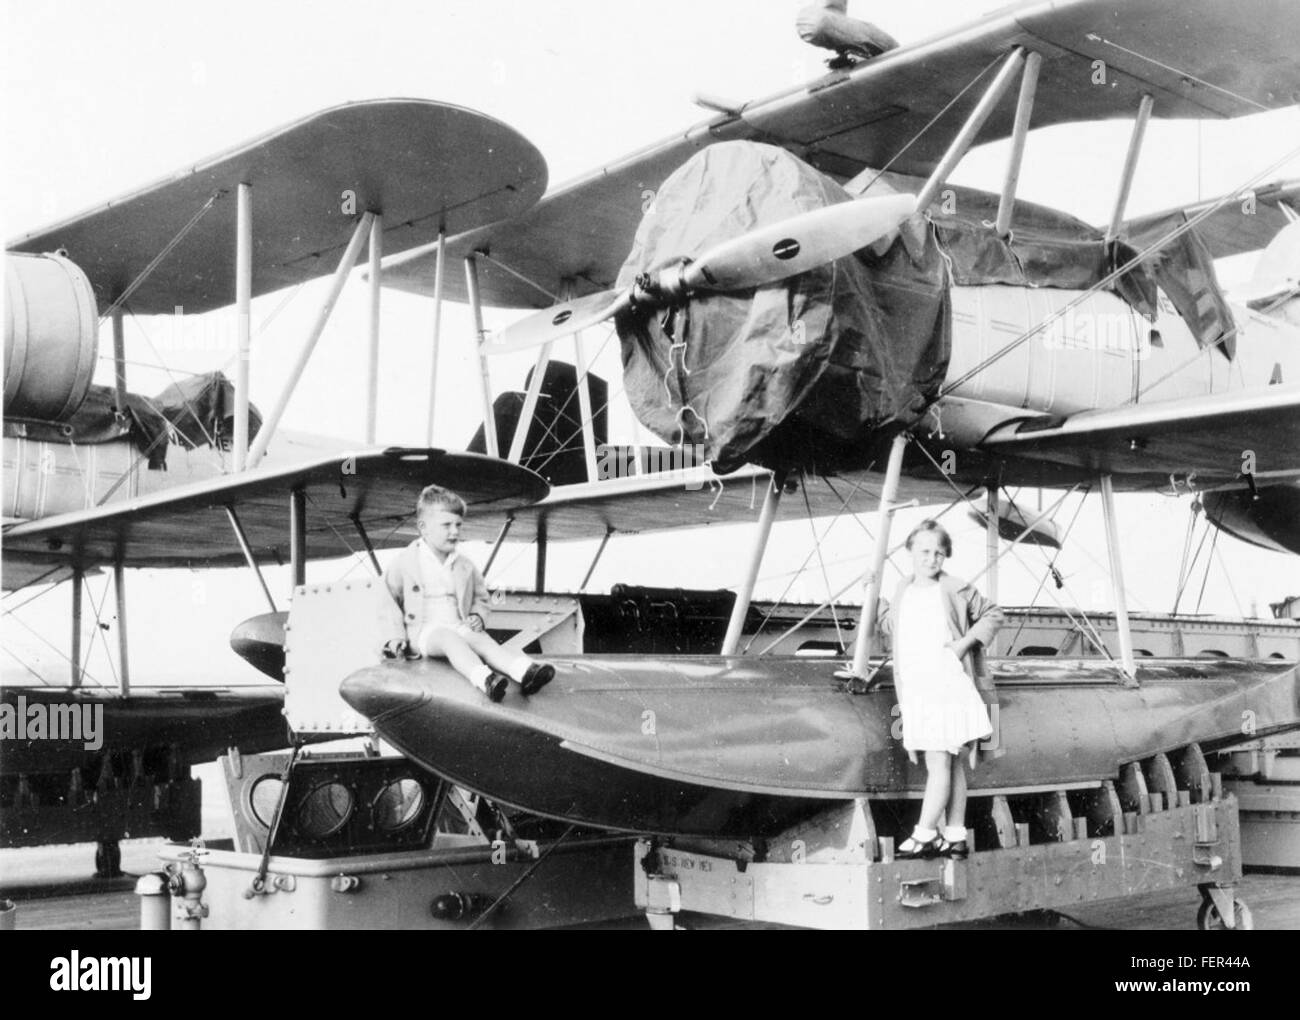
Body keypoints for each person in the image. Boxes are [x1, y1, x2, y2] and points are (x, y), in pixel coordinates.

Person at [878, 519, 1002, 860]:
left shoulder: (954, 587)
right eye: (924, 552)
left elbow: (993, 613)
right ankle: (956, 835)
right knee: (952, 764)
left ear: (945, 555)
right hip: (919, 687)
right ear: (910, 552)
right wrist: (871, 596)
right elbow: (892, 625)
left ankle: (924, 834)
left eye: (938, 553)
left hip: (945, 684)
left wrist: (964, 643)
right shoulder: (903, 589)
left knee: (938, 763)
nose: (931, 559)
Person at [378, 485, 554, 702]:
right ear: (423, 527)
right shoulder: (405, 562)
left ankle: (524, 672)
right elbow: (389, 602)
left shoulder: (465, 565)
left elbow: (481, 597)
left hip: (459, 624)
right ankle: (484, 679)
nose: (455, 532)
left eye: (458, 525)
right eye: (446, 525)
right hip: (425, 632)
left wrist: (477, 615)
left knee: (483, 641)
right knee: (450, 640)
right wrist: (395, 637)